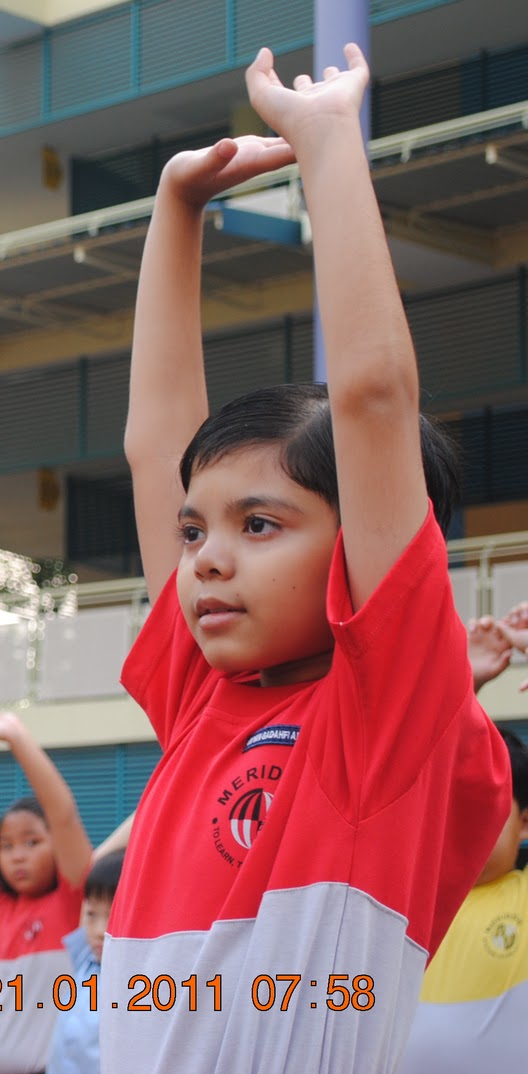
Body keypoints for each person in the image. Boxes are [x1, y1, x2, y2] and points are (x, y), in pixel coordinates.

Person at [103, 44, 510, 1073]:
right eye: (195, 532)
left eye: (260, 524)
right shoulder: (200, 697)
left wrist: (327, 143)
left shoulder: (381, 719)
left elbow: (373, 397)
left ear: (354, 553)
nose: (204, 559)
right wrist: (173, 212)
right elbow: (155, 444)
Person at [0, 713, 92, 1074]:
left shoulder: (71, 903)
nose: (17, 855)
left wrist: (18, 738)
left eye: (32, 842)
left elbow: (64, 817)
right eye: (7, 845)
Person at [396, 719, 528, 1071]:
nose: (469, 824)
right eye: (453, 806)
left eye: (489, 808)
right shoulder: (402, 901)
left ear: (525, 823)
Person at [46, 850, 122, 1074]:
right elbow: (96, 860)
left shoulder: (139, 978)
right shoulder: (84, 957)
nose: (99, 930)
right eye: (91, 915)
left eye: (113, 916)